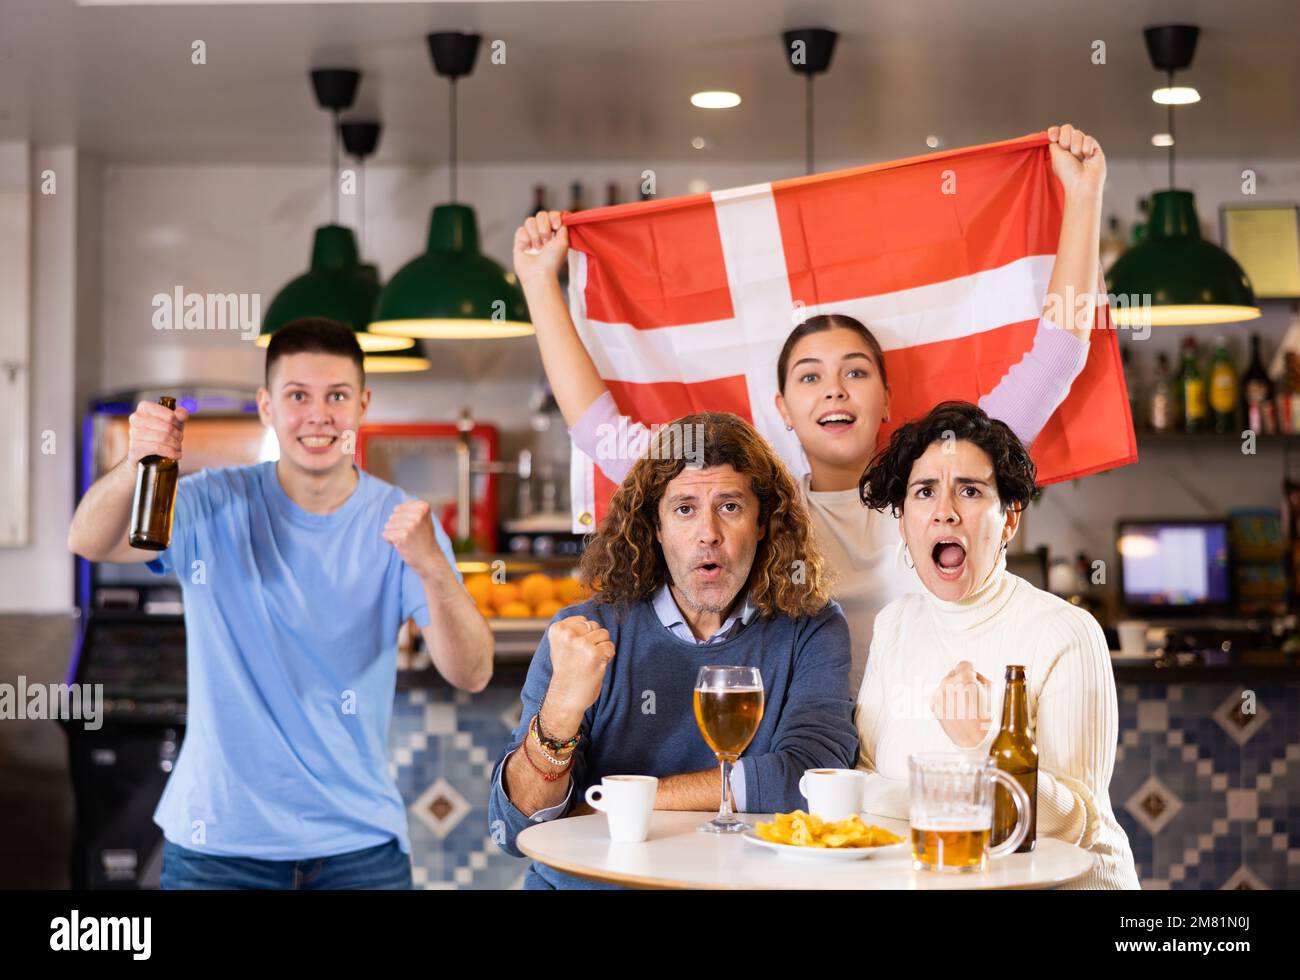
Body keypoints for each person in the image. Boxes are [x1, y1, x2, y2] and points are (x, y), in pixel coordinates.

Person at [514, 124, 1106, 692]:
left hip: (924, 738)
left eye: (855, 371)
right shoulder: (749, 504)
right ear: (784, 409)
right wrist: (540, 282)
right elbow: (600, 434)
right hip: (800, 752)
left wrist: (1081, 198)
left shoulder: (936, 485)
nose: (834, 390)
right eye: (810, 377)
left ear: (885, 399)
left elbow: (1054, 361)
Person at [67, 317, 493, 890]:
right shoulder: (209, 501)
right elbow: (89, 541)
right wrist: (137, 459)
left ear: (362, 404)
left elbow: (471, 671)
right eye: (298, 396)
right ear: (268, 406)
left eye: (336, 396)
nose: (319, 415)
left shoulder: (404, 522)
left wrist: (431, 564)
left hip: (357, 848)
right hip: (216, 844)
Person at [488, 411, 858, 888]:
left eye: (729, 507)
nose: (709, 533)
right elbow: (516, 826)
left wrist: (621, 802)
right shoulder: (583, 633)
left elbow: (811, 780)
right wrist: (560, 710)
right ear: (655, 527)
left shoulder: (811, 627)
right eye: (684, 508)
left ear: (763, 522)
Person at [854, 400, 1139, 889]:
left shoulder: (1065, 631)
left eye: (969, 490)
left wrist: (979, 746)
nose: (944, 511)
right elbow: (867, 784)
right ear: (903, 522)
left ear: (1009, 520)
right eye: (924, 492)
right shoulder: (894, 625)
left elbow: (1075, 824)